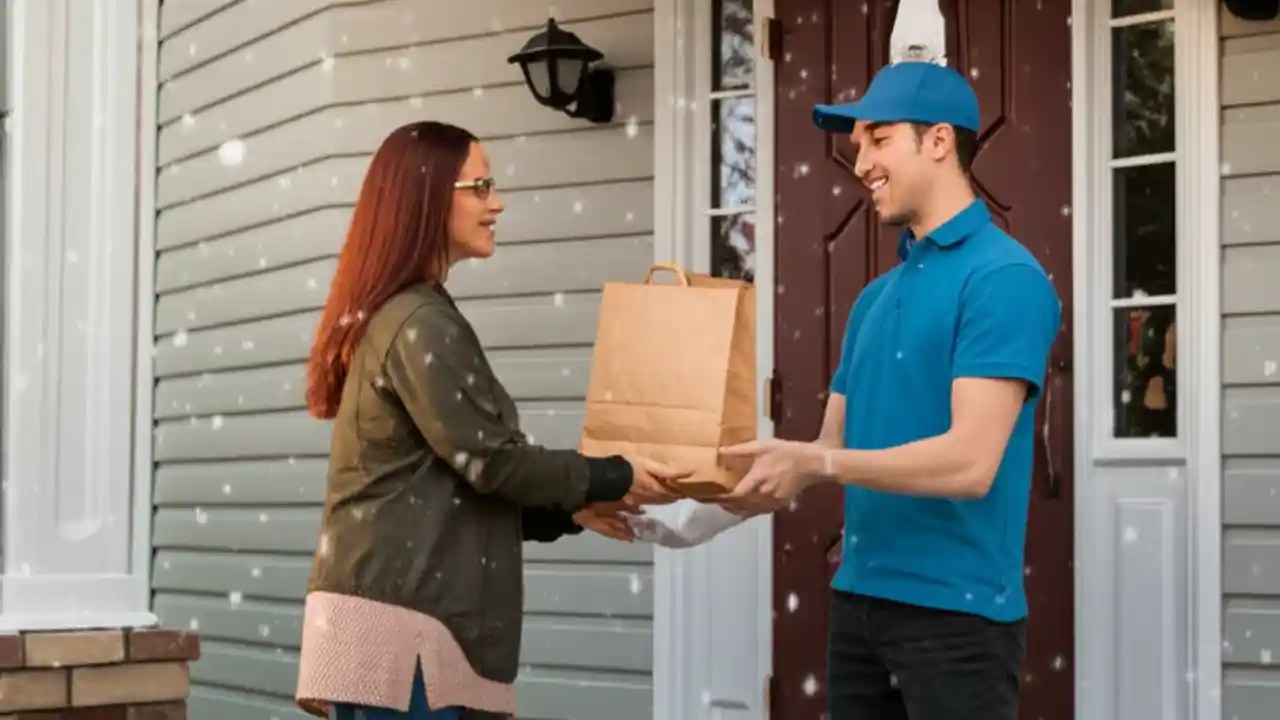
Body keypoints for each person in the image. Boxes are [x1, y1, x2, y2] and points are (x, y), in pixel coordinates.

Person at [293, 120, 685, 720]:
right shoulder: (418, 322)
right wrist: (614, 474)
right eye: (480, 186)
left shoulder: (411, 315)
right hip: (404, 642)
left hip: (399, 630)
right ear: (426, 197)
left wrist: (568, 510)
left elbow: (445, 486)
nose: (495, 202)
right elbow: (493, 461)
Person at [716, 61, 1062, 720]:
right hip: (859, 607)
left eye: (878, 139)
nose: (860, 161)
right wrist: (692, 497)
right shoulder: (874, 300)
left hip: (956, 621)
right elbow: (828, 449)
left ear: (939, 140)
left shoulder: (1003, 278)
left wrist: (816, 462)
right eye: (856, 147)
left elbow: (970, 462)